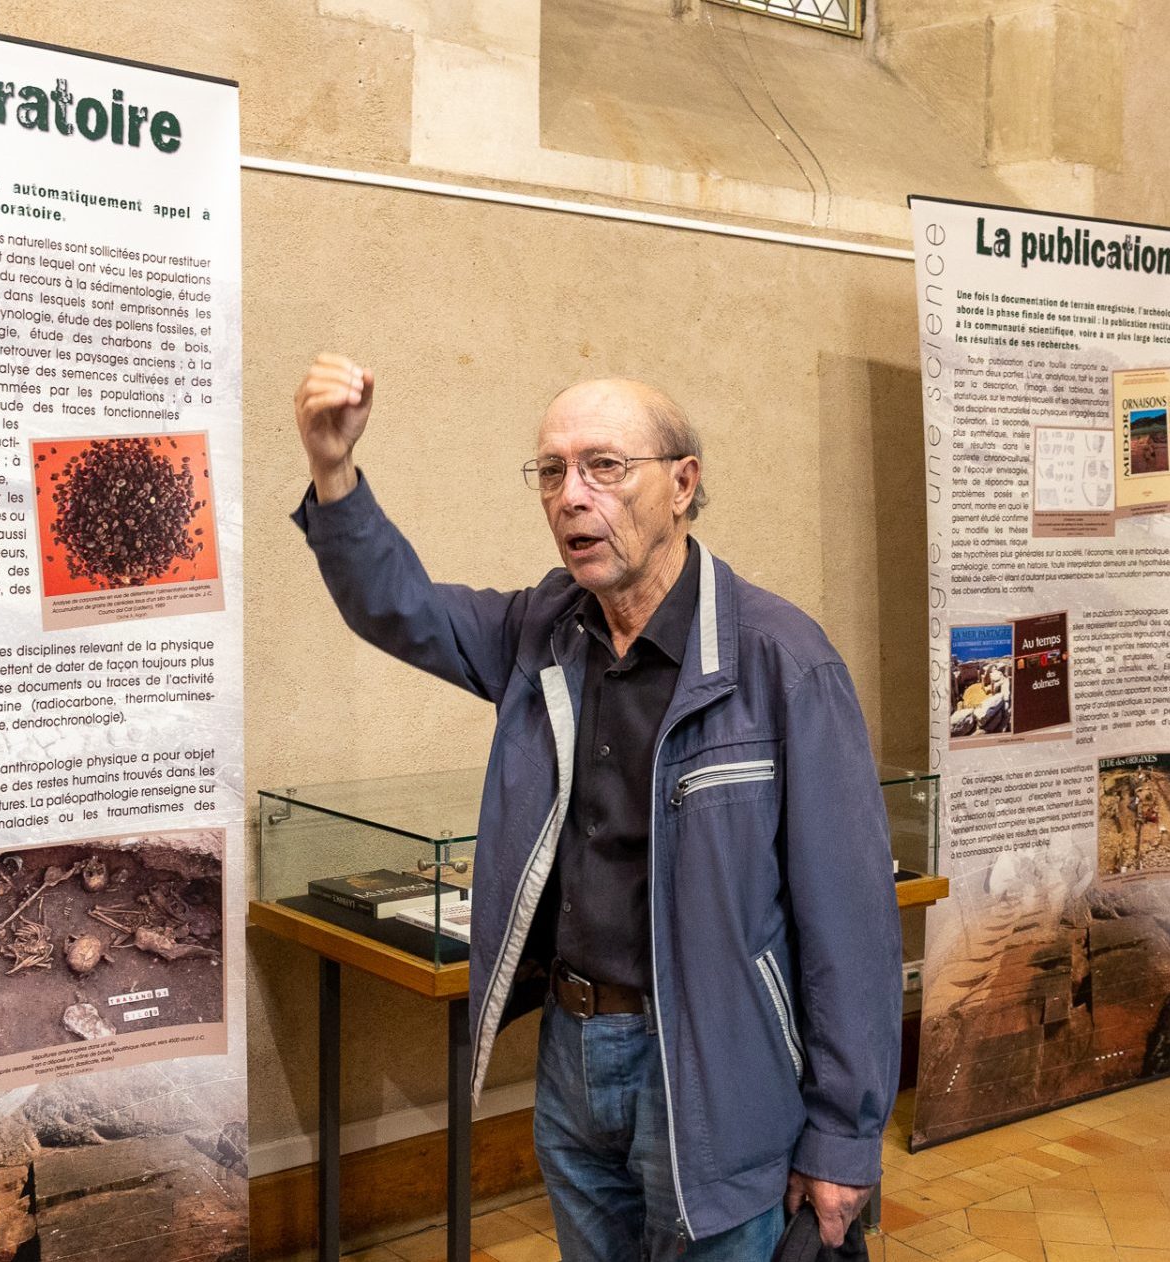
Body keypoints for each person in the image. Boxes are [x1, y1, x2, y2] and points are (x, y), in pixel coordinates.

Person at [291, 354, 905, 1259]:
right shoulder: (541, 631)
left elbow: (851, 924)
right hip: (576, 1062)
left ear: (683, 484)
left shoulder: (782, 661)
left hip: (716, 1069)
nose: (571, 495)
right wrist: (333, 472)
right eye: (551, 470)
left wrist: (845, 1139)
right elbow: (401, 607)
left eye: (603, 467)